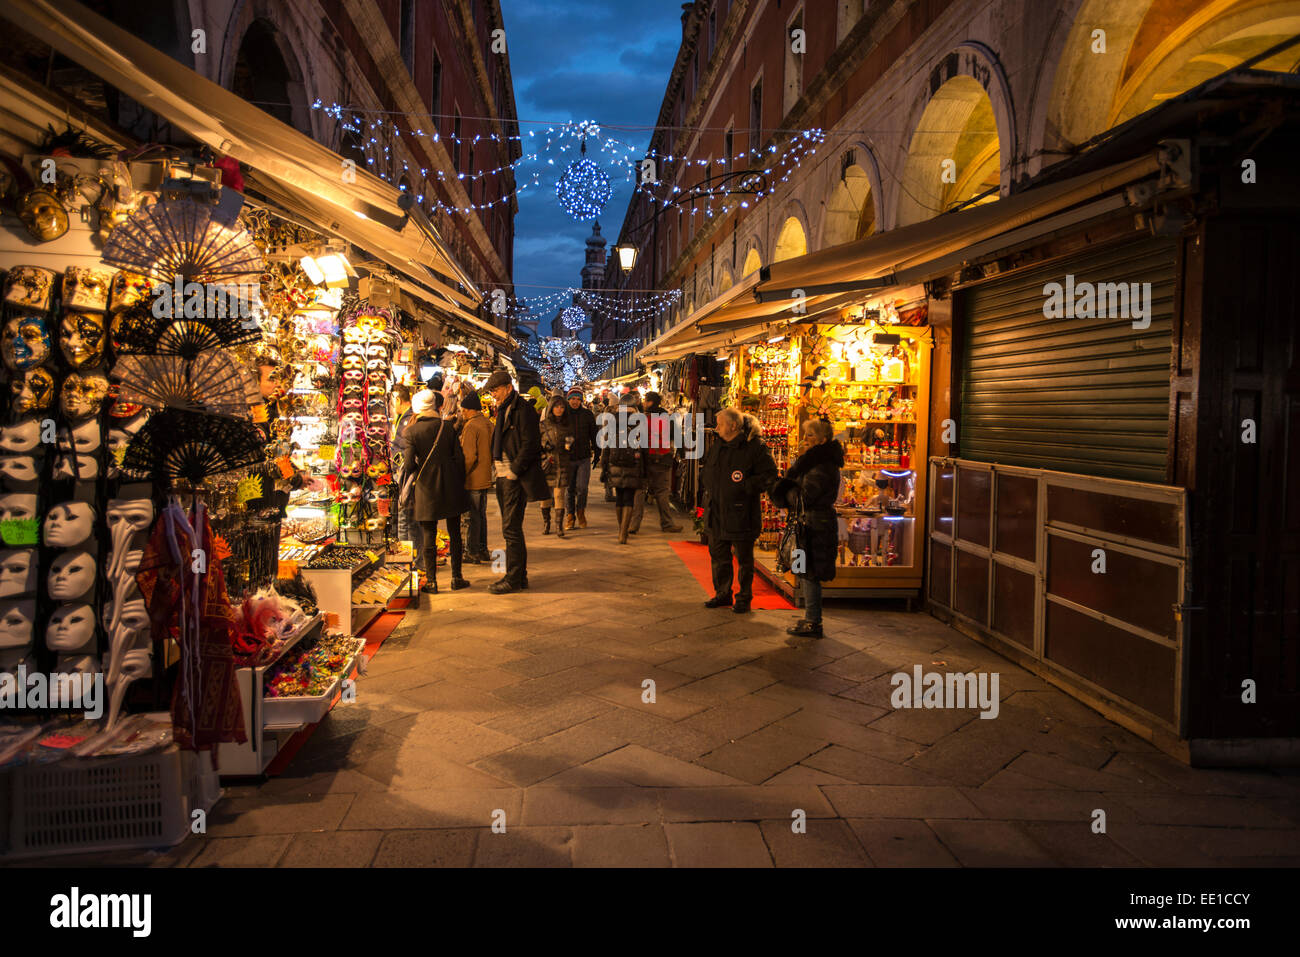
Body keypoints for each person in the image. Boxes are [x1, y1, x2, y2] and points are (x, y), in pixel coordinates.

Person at [700, 407, 778, 614]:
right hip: (716, 511)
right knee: (718, 556)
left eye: (720, 423)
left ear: (733, 425)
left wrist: (744, 487)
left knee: (744, 559)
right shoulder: (718, 445)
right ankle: (722, 593)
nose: (716, 428)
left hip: (741, 513)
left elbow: (769, 475)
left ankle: (744, 597)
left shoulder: (755, 448)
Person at [771, 418, 843, 639]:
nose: (805, 438)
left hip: (814, 525)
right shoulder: (813, 461)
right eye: (805, 434)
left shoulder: (820, 465)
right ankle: (811, 617)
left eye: (810, 435)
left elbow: (806, 497)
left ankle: (813, 621)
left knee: (810, 571)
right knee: (804, 570)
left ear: (822, 439)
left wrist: (786, 491)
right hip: (810, 523)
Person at [486, 368, 550, 593]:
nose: (493, 394)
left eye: (495, 390)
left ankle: (513, 579)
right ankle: (519, 576)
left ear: (508, 388)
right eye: (491, 391)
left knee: (511, 529)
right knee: (511, 529)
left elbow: (530, 444)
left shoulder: (522, 410)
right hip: (504, 475)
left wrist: (514, 469)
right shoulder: (504, 408)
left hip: (513, 477)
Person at [402, 390, 471, 594]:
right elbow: (459, 459)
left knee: (428, 535)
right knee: (455, 533)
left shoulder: (412, 432)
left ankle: (431, 582)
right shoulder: (447, 427)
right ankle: (456, 577)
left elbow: (407, 465)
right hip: (450, 485)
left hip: (425, 487)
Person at [627, 391, 683, 535]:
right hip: (663, 460)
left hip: (644, 461)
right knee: (662, 493)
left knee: (639, 492)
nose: (644, 403)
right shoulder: (668, 418)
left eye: (646, 400)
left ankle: (634, 524)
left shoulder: (642, 419)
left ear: (651, 402)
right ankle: (667, 523)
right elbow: (677, 438)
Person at [599, 391, 648, 545]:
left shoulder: (613, 421)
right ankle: (623, 533)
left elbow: (606, 445)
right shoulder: (640, 421)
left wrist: (604, 465)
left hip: (615, 463)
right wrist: (645, 470)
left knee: (619, 498)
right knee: (628, 498)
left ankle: (621, 529)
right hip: (634, 464)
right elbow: (644, 447)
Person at [458, 389, 493, 564]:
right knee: (481, 515)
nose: (462, 413)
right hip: (485, 475)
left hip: (473, 478)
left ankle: (471, 551)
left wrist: (461, 474)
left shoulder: (472, 426)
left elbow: (469, 456)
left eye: (464, 410)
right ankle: (482, 549)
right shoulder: (486, 423)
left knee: (472, 517)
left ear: (471, 409)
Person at [538, 394, 574, 538]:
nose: (559, 409)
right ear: (551, 408)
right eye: (557, 407)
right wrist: (543, 451)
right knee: (545, 496)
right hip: (547, 463)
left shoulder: (567, 425)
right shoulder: (543, 425)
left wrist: (569, 443)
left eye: (562, 407)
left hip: (563, 462)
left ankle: (559, 526)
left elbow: (571, 438)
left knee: (559, 494)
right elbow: (536, 444)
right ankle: (546, 522)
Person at [564, 387, 598, 529]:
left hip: (584, 457)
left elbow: (594, 434)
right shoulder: (563, 415)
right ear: (568, 399)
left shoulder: (587, 414)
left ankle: (580, 512)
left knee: (582, 488)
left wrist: (597, 452)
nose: (575, 402)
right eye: (572, 399)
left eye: (578, 399)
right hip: (568, 458)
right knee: (569, 489)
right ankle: (570, 516)